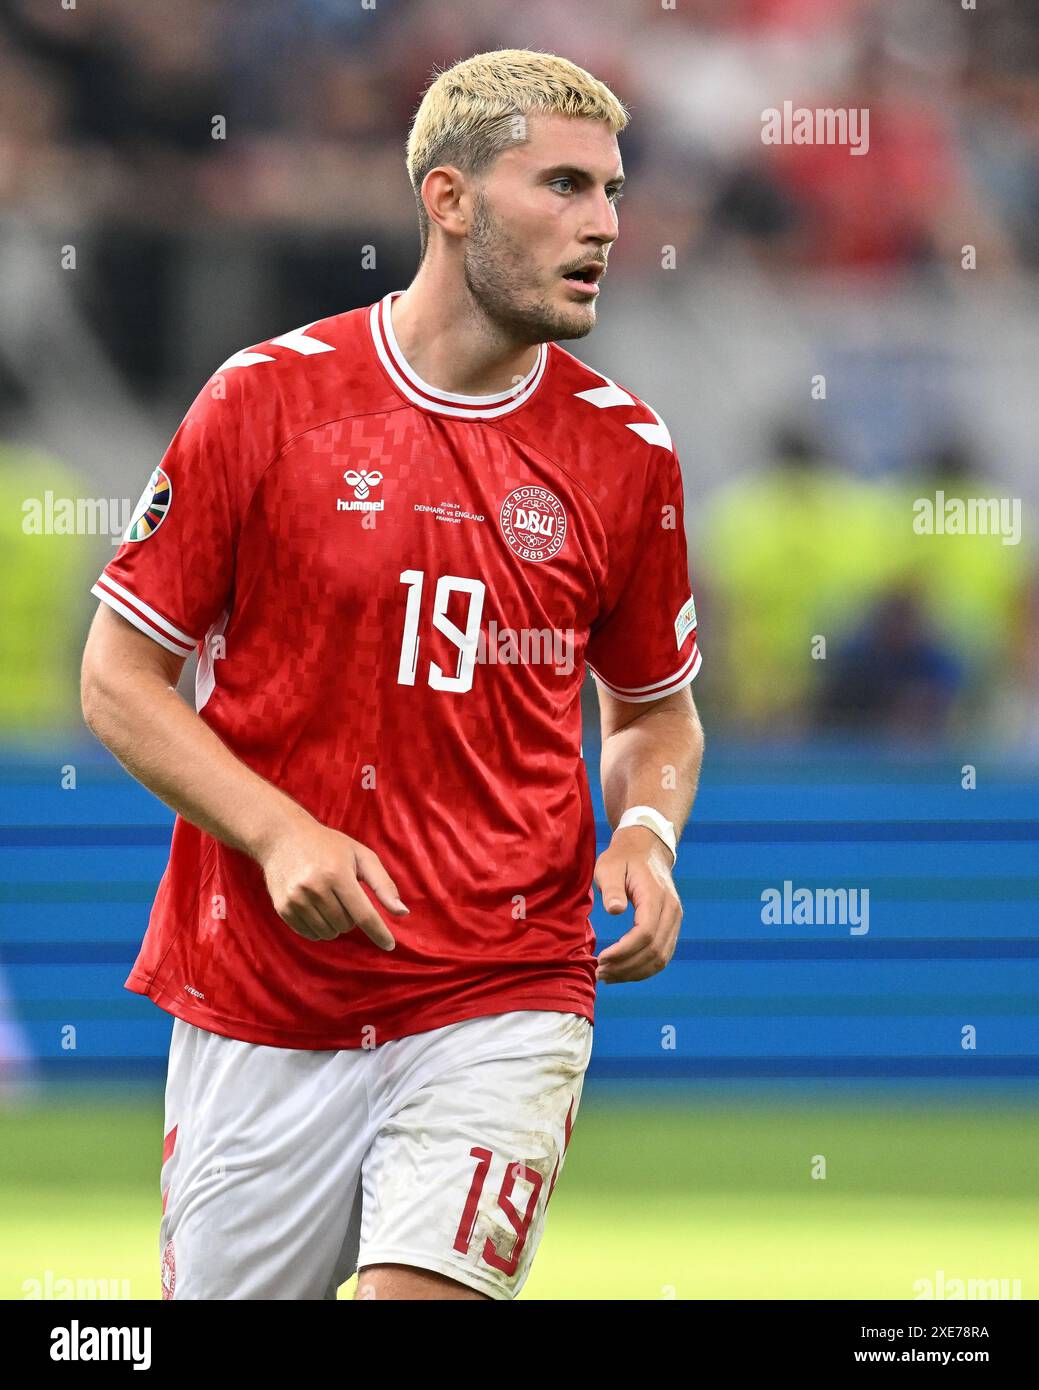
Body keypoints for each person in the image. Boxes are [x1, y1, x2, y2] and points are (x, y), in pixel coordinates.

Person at [80, 48, 705, 1302]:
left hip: (505, 979)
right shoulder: (263, 403)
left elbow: (653, 710)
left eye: (613, 193)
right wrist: (276, 832)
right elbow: (117, 675)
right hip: (260, 998)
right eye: (566, 186)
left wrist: (644, 829)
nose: (604, 226)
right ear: (449, 197)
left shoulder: (626, 451)